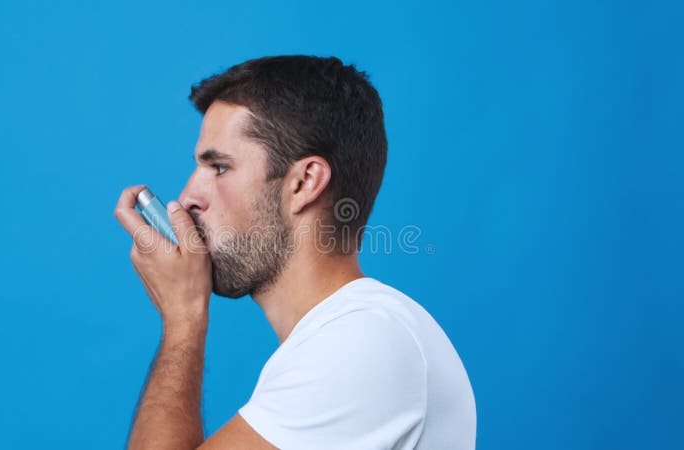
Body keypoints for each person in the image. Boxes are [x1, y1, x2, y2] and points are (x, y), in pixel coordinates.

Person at [114, 55, 476, 450]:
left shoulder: (364, 341)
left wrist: (183, 318)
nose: (187, 198)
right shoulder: (339, 340)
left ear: (304, 183)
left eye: (218, 168)